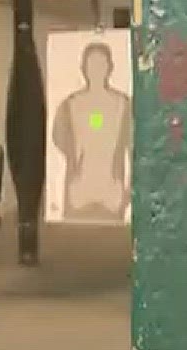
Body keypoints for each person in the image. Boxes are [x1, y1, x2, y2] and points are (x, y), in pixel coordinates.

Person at [50, 41, 131, 222]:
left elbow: (135, 151)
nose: (96, 70)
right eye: (91, 65)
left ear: (110, 68)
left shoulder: (123, 105)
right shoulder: (69, 105)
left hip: (112, 195)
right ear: (83, 68)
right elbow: (59, 139)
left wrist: (127, 193)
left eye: (101, 64)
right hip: (78, 194)